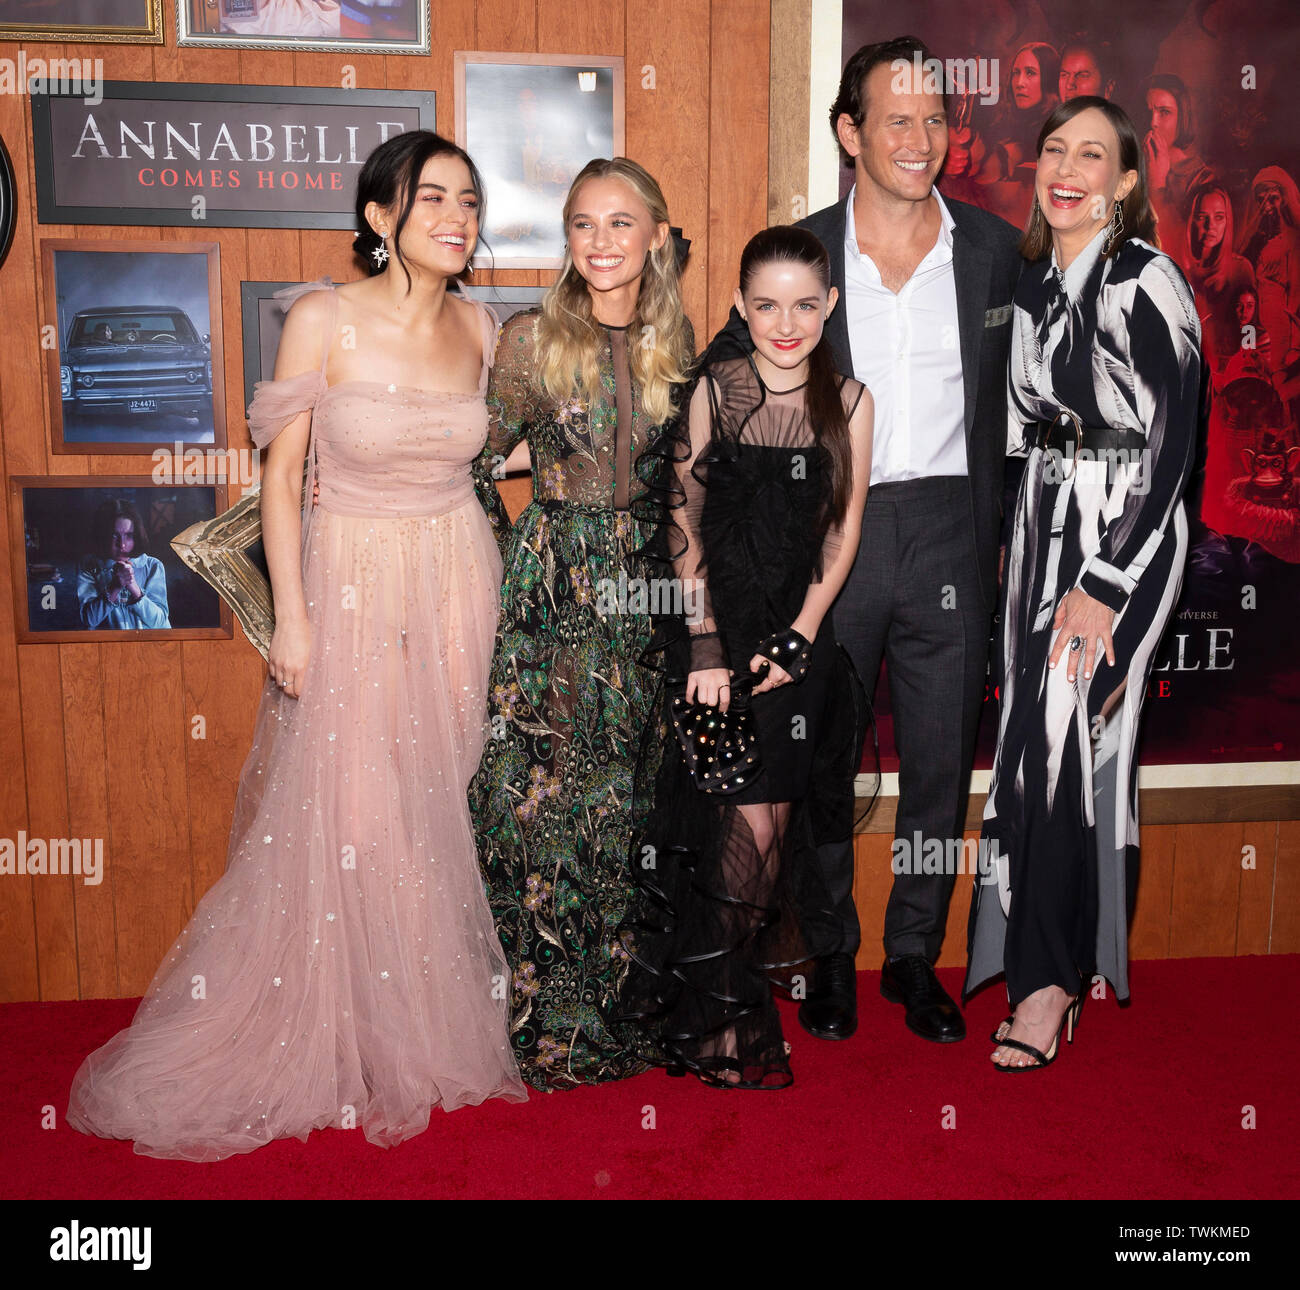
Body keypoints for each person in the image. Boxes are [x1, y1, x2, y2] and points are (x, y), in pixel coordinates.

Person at [66, 131, 528, 1159]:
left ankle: (407, 1026)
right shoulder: (321, 316)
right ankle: (342, 1034)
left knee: (426, 801)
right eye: (432, 199)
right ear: (379, 219)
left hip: (455, 579)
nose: (457, 216)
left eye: (468, 199)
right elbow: (282, 479)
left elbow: (500, 451)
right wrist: (296, 621)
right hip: (350, 577)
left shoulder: (482, 328)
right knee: (352, 807)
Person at [719, 37, 1022, 1045]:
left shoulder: (992, 251)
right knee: (819, 764)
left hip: (951, 534)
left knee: (941, 770)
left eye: (934, 118)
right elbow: (730, 397)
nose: (920, 138)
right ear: (849, 132)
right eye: (896, 118)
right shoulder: (801, 251)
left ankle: (909, 960)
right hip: (830, 544)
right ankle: (831, 955)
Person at [966, 97, 1202, 1069]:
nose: (1066, 168)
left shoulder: (1147, 281)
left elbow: (1172, 443)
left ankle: (1049, 984)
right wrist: (1019, 562)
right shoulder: (1031, 284)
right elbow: (1024, 437)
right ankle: (1050, 957)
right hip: (1042, 528)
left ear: (1127, 181)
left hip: (1126, 536)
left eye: (1091, 155)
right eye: (1054, 149)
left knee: (1063, 732)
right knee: (1031, 745)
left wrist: (1102, 581)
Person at [616, 225, 873, 1089]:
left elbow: (842, 536)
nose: (786, 322)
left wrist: (800, 638)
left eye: (805, 304)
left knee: (777, 832)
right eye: (766, 305)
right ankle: (718, 1020)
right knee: (740, 826)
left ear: (830, 305)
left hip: (800, 647)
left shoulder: (851, 400)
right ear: (740, 307)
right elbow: (681, 523)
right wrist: (707, 646)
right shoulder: (718, 392)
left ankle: (718, 1012)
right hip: (717, 643)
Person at [468, 157, 694, 1090]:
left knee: (625, 798)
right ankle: (530, 1017)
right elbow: (477, 463)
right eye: (581, 225)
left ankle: (606, 1009)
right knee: (536, 802)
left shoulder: (683, 348)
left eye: (619, 223)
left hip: (647, 595)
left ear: (655, 235)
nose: (600, 243)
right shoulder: (527, 341)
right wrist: (504, 566)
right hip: (552, 592)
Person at [1143, 75, 1214, 269]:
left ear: (1182, 118)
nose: (1153, 122)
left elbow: (1183, 246)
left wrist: (1158, 185)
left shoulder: (1202, 178)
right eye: (1149, 112)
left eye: (1164, 112)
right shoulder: (1137, 164)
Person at [1184, 184, 1255, 376]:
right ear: (1192, 221)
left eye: (1219, 217)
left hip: (1232, 369)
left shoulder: (1241, 269)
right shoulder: (1180, 267)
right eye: (1202, 217)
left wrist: (1248, 362)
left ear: (1227, 221)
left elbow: (1251, 324)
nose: (1210, 226)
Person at [77, 498, 171, 629]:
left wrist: (133, 587)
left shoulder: (153, 566)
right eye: (114, 535)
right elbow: (89, 620)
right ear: (103, 535)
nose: (122, 545)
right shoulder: (89, 566)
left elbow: (159, 622)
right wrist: (114, 587)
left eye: (129, 535)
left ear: (137, 535)